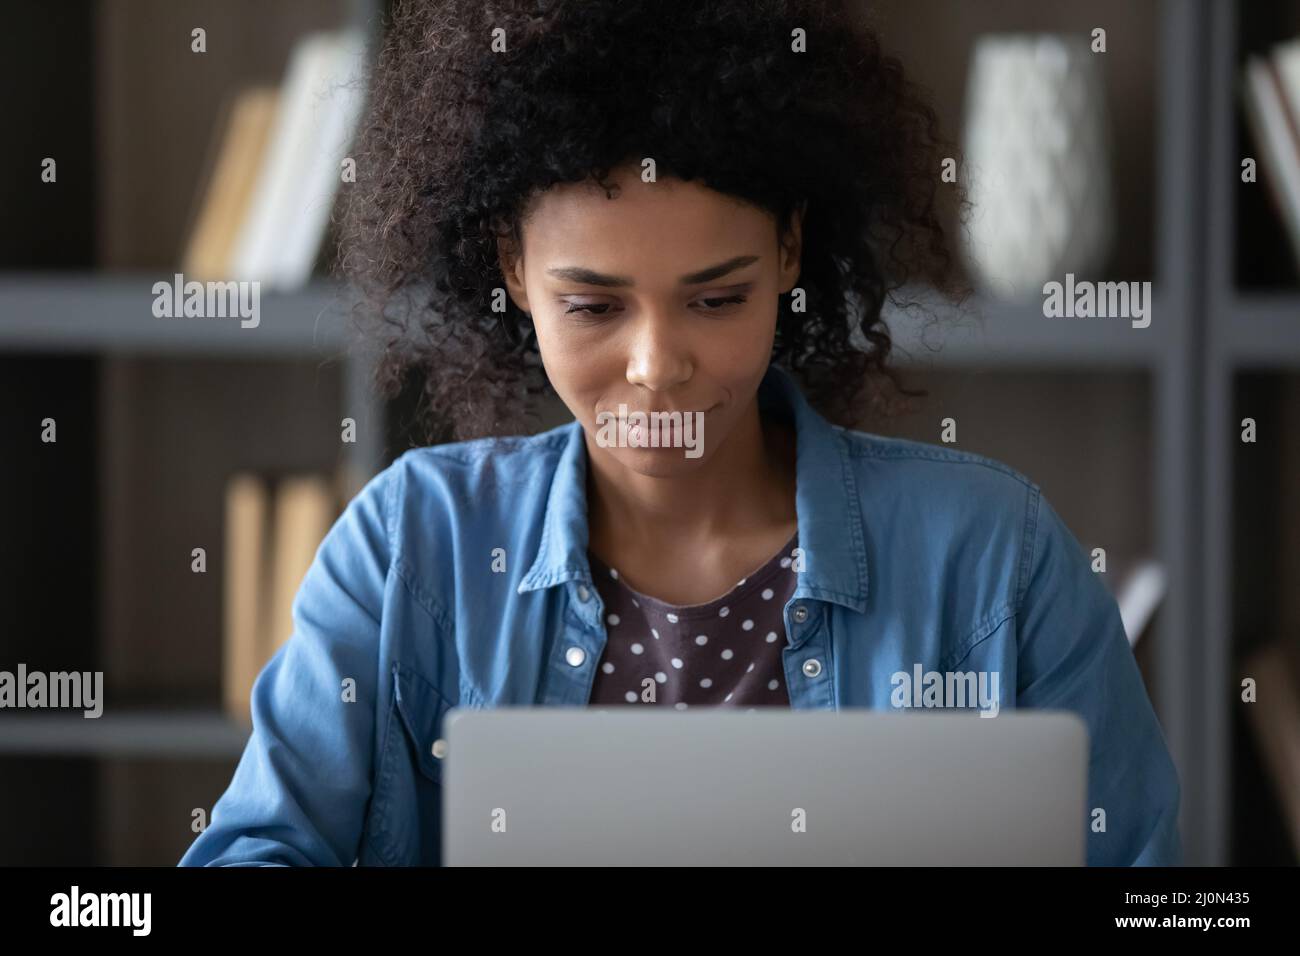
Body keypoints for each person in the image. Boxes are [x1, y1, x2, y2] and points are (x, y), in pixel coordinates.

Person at [180, 0, 1181, 866]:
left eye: (715, 298)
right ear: (515, 270)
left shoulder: (993, 557)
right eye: (593, 306)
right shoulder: (409, 547)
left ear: (789, 248)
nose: (658, 364)